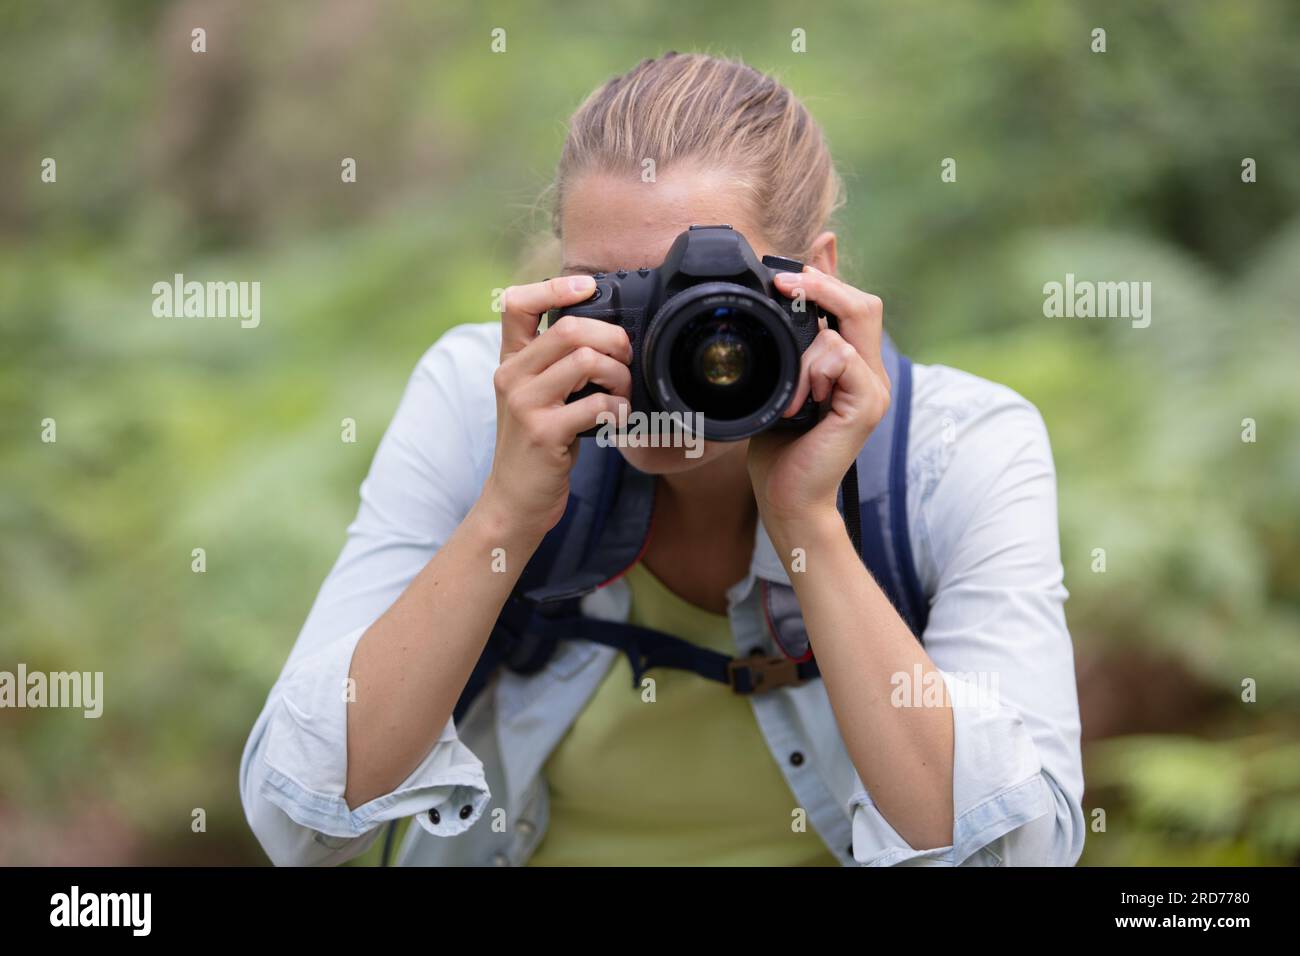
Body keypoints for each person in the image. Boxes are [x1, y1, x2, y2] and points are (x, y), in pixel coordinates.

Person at [240, 51, 1085, 866]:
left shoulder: (956, 449)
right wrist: (508, 512)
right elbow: (299, 818)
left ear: (812, 281)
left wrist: (809, 525)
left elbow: (1012, 855)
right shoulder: (481, 402)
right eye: (617, 299)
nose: (655, 356)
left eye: (703, 304)